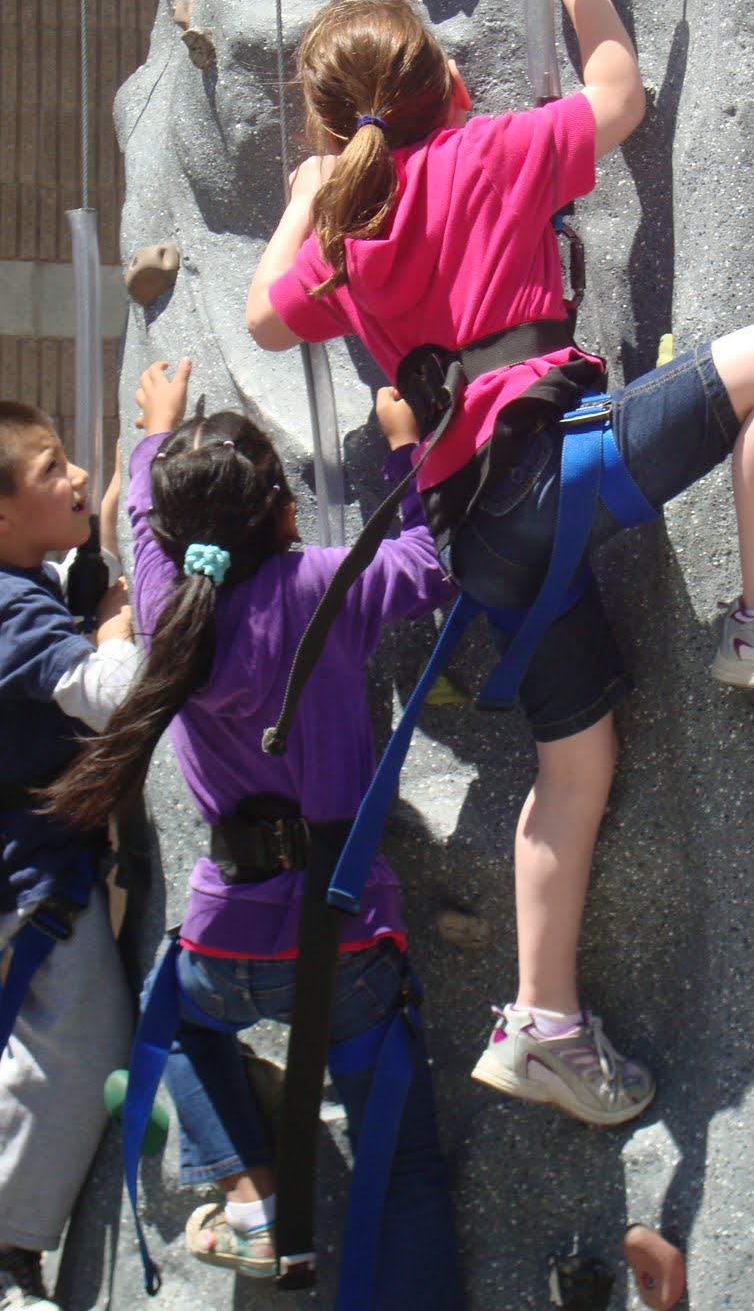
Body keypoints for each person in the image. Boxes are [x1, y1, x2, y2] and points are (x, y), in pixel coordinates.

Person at [244, 0, 754, 1129]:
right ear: (449, 81)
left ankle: (544, 1015)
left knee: (575, 762)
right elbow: (619, 99)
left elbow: (266, 314)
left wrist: (306, 196)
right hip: (548, 470)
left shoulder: (350, 232)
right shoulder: (487, 150)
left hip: (472, 541)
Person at [42, 360, 463, 1307]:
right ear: (281, 507)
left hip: (225, 939)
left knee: (180, 1022)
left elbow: (148, 529)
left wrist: (155, 434)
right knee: (405, 1172)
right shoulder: (320, 585)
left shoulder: (164, 606)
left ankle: (254, 1203)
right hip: (345, 934)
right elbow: (429, 566)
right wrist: (406, 445)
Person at [0, 406, 139, 1311]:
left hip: (35, 869)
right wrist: (126, 616)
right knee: (75, 1047)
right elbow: (107, 692)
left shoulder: (22, 584)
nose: (78, 477)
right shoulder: (9, 609)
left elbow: (67, 585)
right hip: (35, 884)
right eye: (53, 468)